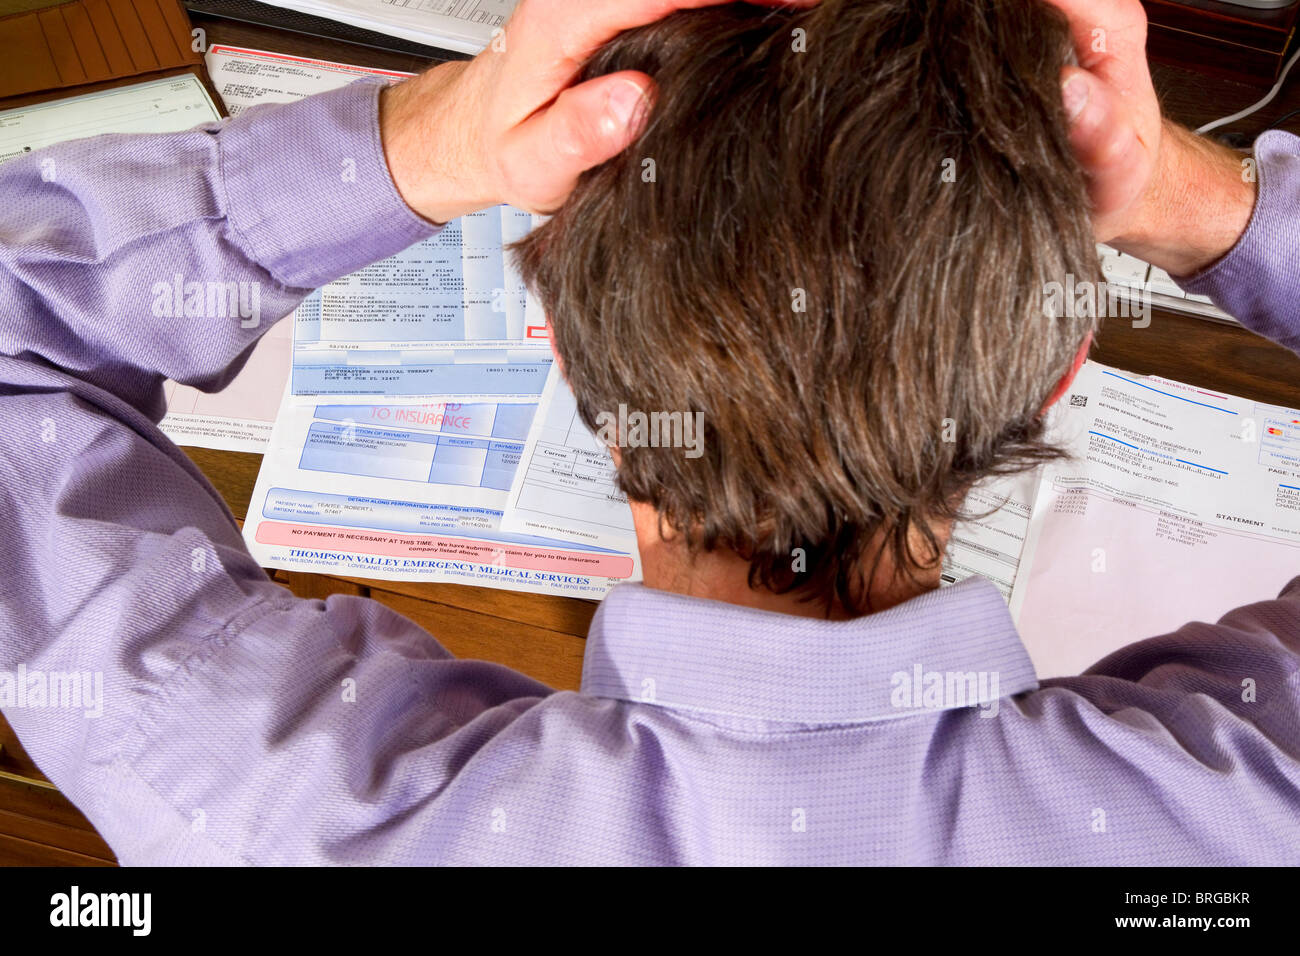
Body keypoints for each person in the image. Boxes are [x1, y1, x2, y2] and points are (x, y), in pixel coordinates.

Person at [0, 0, 1294, 865]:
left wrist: (428, 143)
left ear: (557, 343)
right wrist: (1201, 198)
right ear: (1065, 364)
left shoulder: (281, 811)